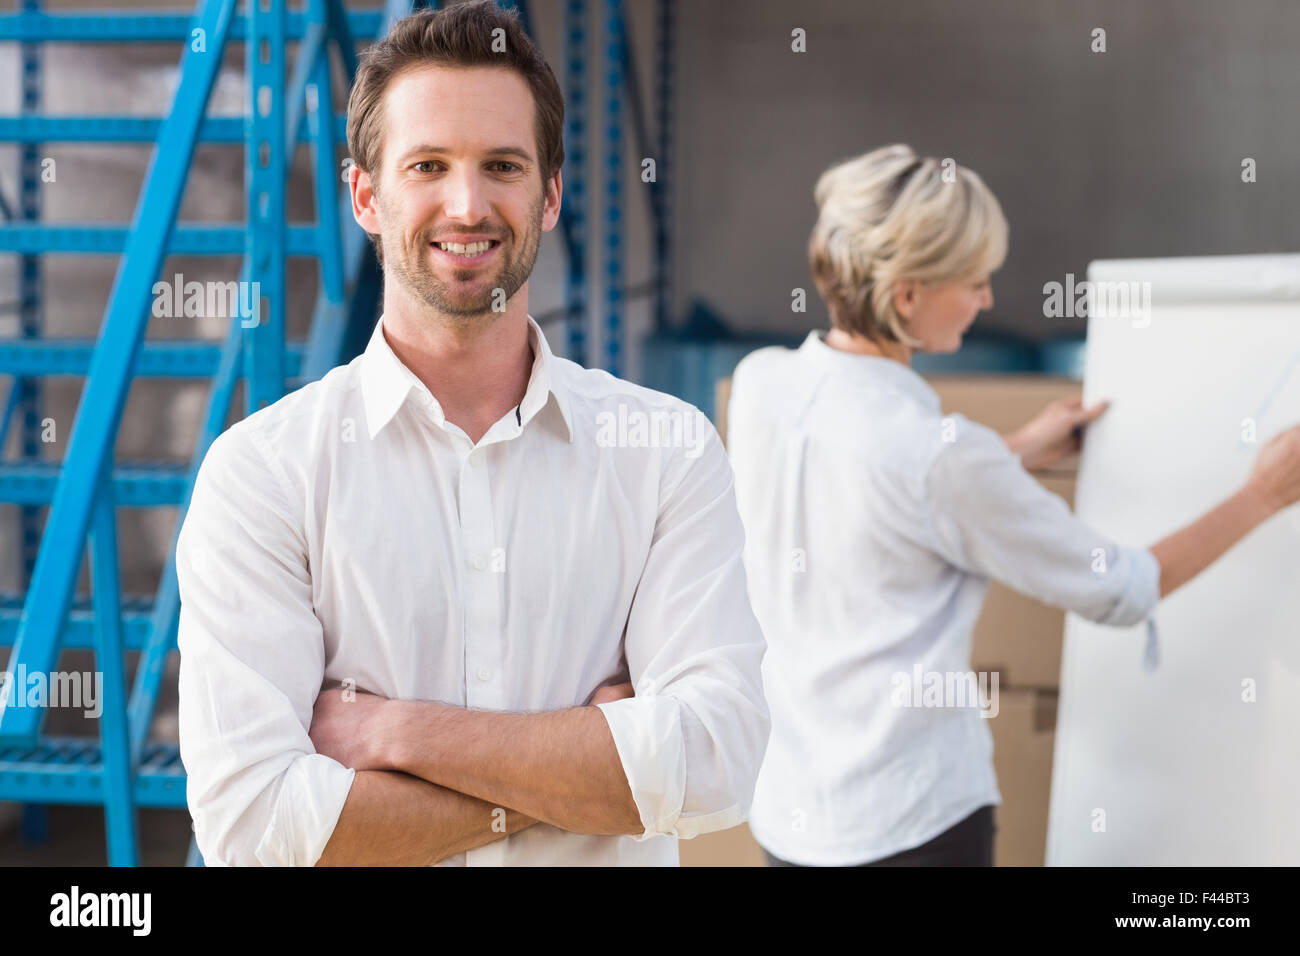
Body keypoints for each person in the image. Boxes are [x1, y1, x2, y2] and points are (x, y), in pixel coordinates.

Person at [175, 0, 768, 867]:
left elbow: (717, 762)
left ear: (550, 194)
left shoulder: (665, 450)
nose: (468, 203)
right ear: (366, 195)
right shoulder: (263, 475)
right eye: (427, 165)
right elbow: (256, 826)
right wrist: (587, 766)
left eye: (502, 165)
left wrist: (401, 733)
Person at [726, 143, 1300, 867]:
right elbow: (1123, 588)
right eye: (974, 281)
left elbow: (872, 481)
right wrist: (1263, 495)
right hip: (911, 827)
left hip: (791, 816)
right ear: (907, 297)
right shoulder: (942, 457)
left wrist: (1016, 449)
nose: (987, 300)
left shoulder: (762, 385)